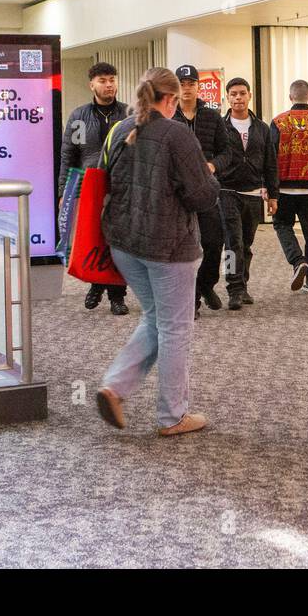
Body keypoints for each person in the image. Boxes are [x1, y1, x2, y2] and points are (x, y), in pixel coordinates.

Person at [95, 67, 218, 437]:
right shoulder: (177, 134)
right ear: (172, 99)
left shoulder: (119, 130)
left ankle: (114, 388)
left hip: (124, 243)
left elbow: (103, 178)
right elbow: (202, 196)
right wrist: (211, 177)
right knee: (175, 328)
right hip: (168, 248)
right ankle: (172, 416)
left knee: (156, 318)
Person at [59, 62, 130, 316]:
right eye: (102, 80)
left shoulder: (129, 114)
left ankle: (117, 296)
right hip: (88, 186)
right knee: (93, 239)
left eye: (112, 79)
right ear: (92, 85)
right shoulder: (79, 116)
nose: (109, 85)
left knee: (118, 242)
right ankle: (96, 283)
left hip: (121, 186)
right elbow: (68, 156)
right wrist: (64, 192)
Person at [211, 77, 278, 310]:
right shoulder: (220, 127)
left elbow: (270, 163)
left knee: (246, 243)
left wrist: (273, 195)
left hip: (253, 192)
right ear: (227, 98)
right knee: (233, 243)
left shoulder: (262, 128)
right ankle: (234, 288)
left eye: (242, 93)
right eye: (233, 94)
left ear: (249, 95)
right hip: (226, 190)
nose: (238, 98)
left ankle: (243, 285)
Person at [171, 64, 231, 317]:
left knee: (214, 242)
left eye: (191, 84)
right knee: (181, 248)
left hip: (206, 189)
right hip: (177, 193)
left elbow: (227, 152)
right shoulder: (168, 116)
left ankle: (205, 285)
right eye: (182, 84)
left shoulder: (212, 116)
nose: (187, 88)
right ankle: (190, 300)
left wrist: (213, 165)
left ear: (198, 86)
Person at [270, 80, 308, 293]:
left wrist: (270, 186)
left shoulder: (279, 122)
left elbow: (270, 156)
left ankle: (298, 260)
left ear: (290, 97)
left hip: (284, 186)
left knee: (282, 225)